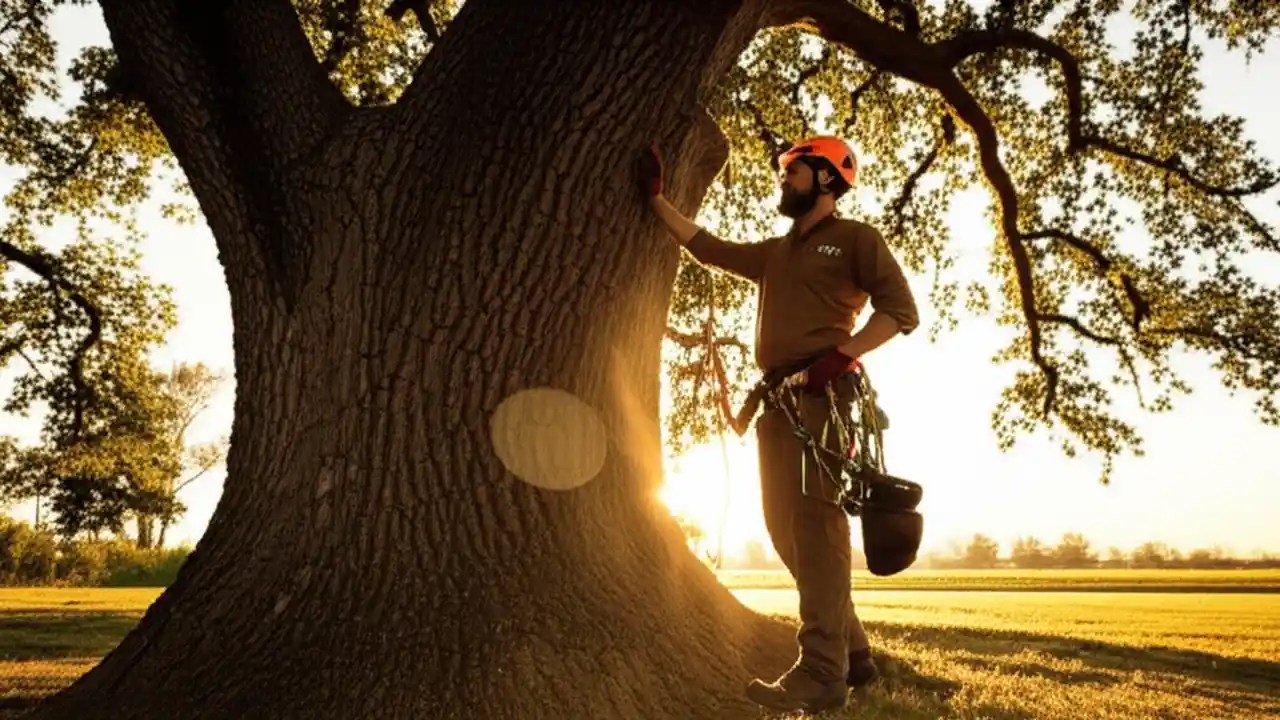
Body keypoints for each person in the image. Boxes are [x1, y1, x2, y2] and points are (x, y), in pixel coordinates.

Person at [637, 136, 919, 713]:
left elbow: (900, 310)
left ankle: (820, 675)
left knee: (817, 529)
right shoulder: (777, 251)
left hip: (825, 397)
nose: (784, 179)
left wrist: (841, 357)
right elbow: (707, 247)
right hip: (777, 403)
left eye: (794, 171)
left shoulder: (855, 240)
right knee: (783, 531)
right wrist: (657, 200)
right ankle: (854, 653)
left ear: (827, 178)